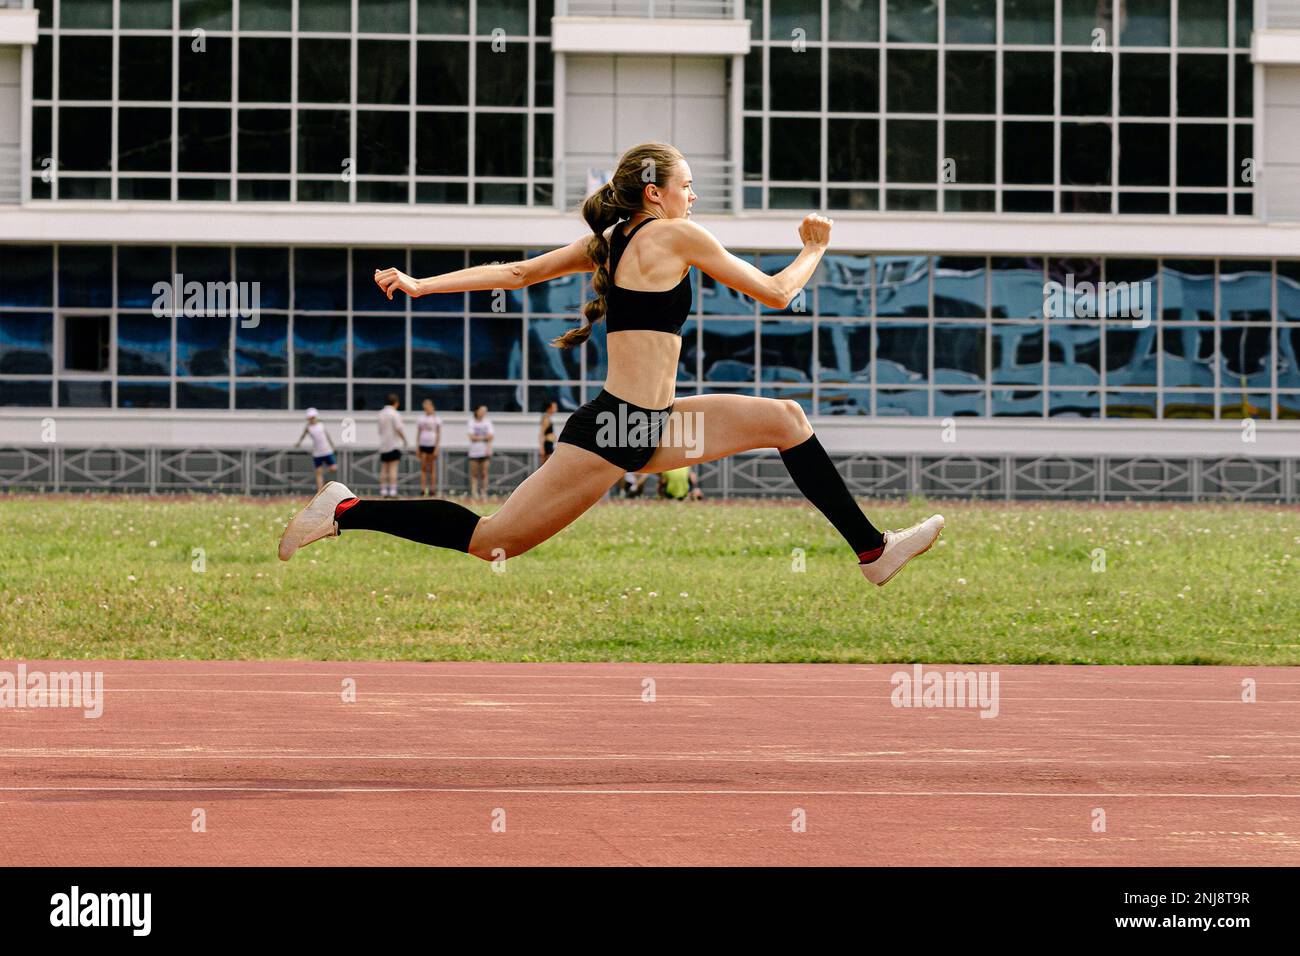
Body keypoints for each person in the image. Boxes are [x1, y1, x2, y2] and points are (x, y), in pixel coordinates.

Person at [281, 141, 943, 587]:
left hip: (647, 428)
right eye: (687, 186)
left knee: (785, 418)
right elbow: (777, 292)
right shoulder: (675, 235)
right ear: (654, 193)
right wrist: (814, 247)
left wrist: (423, 284)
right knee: (493, 542)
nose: (694, 197)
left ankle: (872, 550)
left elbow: (515, 273)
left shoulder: (608, 240)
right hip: (621, 430)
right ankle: (345, 510)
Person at [295, 407, 337, 491]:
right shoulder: (308, 427)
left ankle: (322, 475)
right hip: (317, 453)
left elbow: (327, 436)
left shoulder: (321, 425)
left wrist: (332, 445)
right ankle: (320, 490)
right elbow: (303, 435)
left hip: (326, 450)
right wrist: (298, 443)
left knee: (333, 468)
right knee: (318, 473)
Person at [376, 394, 407, 497]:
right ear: (396, 403)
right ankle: (393, 491)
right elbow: (398, 428)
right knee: (393, 468)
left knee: (384, 468)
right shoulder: (395, 414)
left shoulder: (381, 414)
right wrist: (404, 439)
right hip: (393, 444)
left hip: (384, 444)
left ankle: (383, 490)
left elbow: (380, 430)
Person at [466, 405, 494, 502]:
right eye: (481, 411)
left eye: (485, 411)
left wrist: (481, 439)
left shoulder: (487, 422)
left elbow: (490, 436)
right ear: (477, 411)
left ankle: (484, 493)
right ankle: (474, 493)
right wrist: (484, 437)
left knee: (484, 473)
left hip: (485, 451)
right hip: (474, 452)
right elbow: (471, 437)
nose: (483, 413)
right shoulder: (471, 422)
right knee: (474, 473)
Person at [416, 398, 442, 497]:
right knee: (423, 468)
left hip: (432, 445)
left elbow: (438, 434)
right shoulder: (421, 419)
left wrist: (436, 447)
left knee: (431, 468)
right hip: (423, 445)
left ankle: (432, 490)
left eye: (428, 406)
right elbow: (418, 433)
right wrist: (417, 446)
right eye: (425, 407)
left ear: (432, 407)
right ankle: (423, 490)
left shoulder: (436, 419)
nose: (426, 409)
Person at [539, 400, 558, 465]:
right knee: (547, 465)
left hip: (550, 444)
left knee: (548, 464)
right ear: (549, 408)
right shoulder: (546, 419)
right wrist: (542, 448)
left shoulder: (549, 418)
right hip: (547, 445)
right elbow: (541, 434)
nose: (556, 409)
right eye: (554, 407)